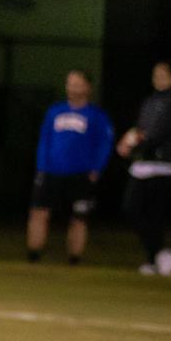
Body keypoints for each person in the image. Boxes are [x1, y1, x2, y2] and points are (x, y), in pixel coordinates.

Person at [25, 68, 114, 265]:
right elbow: (44, 140)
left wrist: (96, 169)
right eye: (70, 83)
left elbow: (105, 144)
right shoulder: (54, 111)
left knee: (78, 218)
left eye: (77, 84)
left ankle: (74, 260)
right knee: (39, 212)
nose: (72, 88)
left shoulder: (97, 116)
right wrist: (41, 166)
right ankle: (33, 256)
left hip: (81, 175)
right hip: (51, 172)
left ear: (88, 88)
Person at [117, 61, 171, 276]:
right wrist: (126, 141)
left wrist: (133, 142)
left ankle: (154, 259)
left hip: (165, 165)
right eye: (156, 75)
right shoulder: (149, 101)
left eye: (163, 75)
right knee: (131, 208)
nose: (158, 79)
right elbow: (141, 128)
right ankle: (159, 254)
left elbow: (157, 132)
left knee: (154, 215)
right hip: (144, 164)